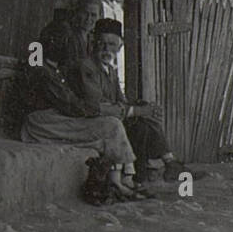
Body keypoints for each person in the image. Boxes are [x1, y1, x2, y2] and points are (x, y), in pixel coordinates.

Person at [19, 18, 143, 199]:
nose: (67, 47)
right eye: (62, 41)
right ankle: (119, 182)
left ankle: (120, 182)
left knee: (108, 129)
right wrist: (97, 110)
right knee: (111, 125)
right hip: (41, 122)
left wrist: (97, 109)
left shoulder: (54, 68)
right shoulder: (40, 68)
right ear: (50, 43)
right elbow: (70, 105)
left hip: (54, 118)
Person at [71, 18, 187, 183]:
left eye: (111, 44)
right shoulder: (86, 67)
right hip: (93, 121)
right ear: (93, 43)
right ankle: (165, 164)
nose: (106, 49)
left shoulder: (110, 70)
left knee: (143, 115)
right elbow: (96, 105)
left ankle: (161, 166)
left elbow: (121, 101)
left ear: (119, 47)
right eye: (102, 43)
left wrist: (142, 109)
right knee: (140, 124)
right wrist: (135, 111)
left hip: (111, 117)